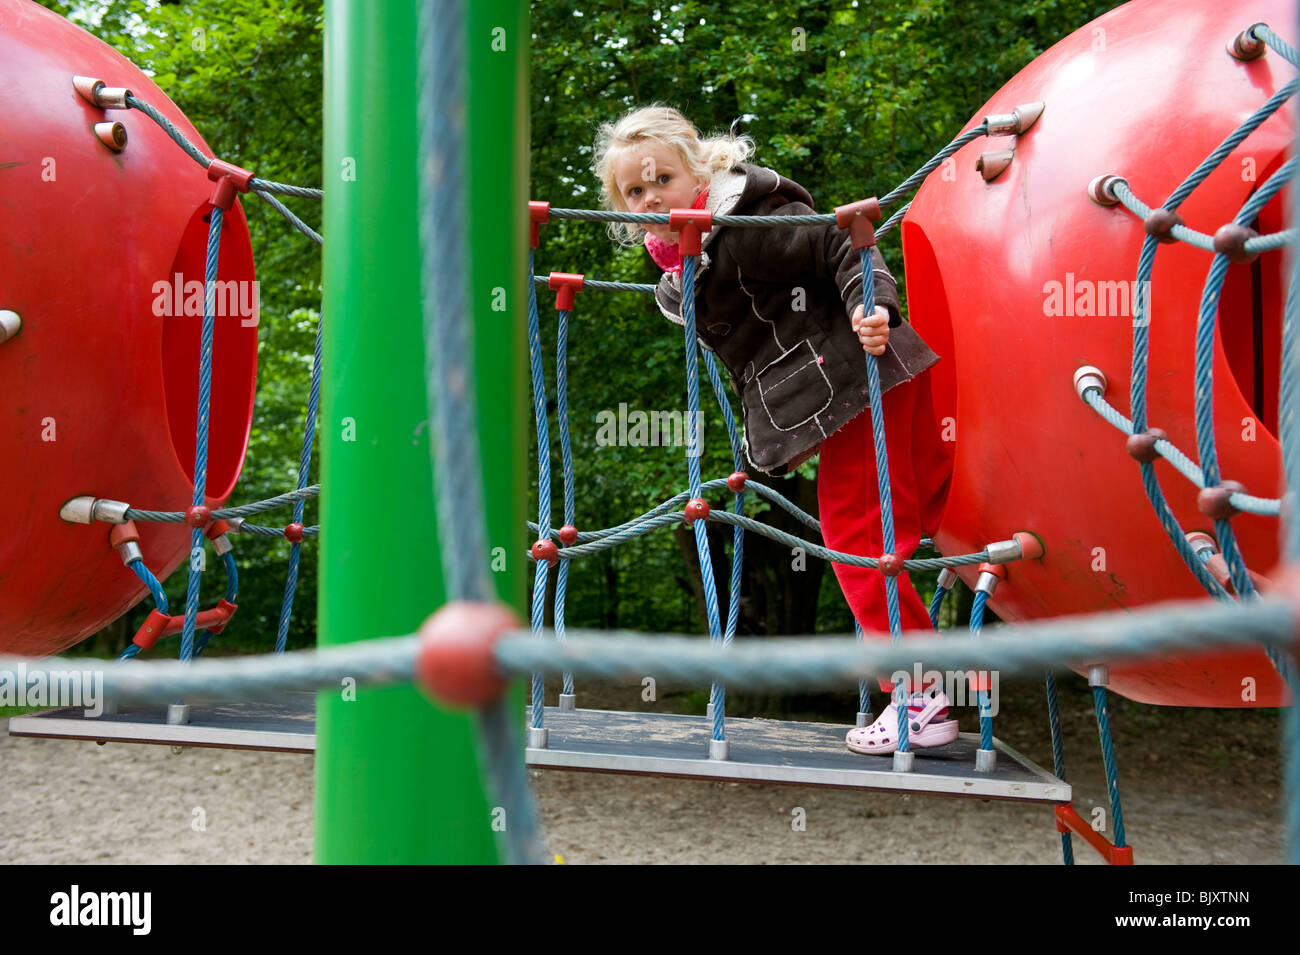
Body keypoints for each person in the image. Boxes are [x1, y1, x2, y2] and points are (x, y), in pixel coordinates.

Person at [591, 105, 956, 755]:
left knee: (857, 535)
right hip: (869, 381)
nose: (650, 197)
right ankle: (943, 648)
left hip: (857, 374)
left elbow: (839, 239)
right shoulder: (685, 271)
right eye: (634, 191)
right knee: (914, 509)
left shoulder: (745, 225)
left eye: (662, 179)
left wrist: (870, 303)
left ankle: (921, 697)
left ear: (699, 169)